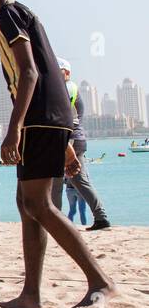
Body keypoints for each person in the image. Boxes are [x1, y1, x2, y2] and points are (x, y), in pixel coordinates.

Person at [0, 0, 116, 308]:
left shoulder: (10, 13)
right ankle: (30, 295)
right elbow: (42, 74)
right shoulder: (14, 15)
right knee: (27, 204)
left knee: (38, 203)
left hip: (39, 117)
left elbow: (30, 73)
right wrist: (63, 140)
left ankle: (101, 282)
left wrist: (14, 128)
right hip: (49, 117)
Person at [52, 58, 110, 231]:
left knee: (70, 181)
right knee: (64, 181)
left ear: (67, 72)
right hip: (71, 138)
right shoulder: (64, 87)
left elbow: (59, 113)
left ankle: (100, 217)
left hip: (70, 139)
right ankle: (56, 219)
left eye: (59, 70)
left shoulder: (68, 87)